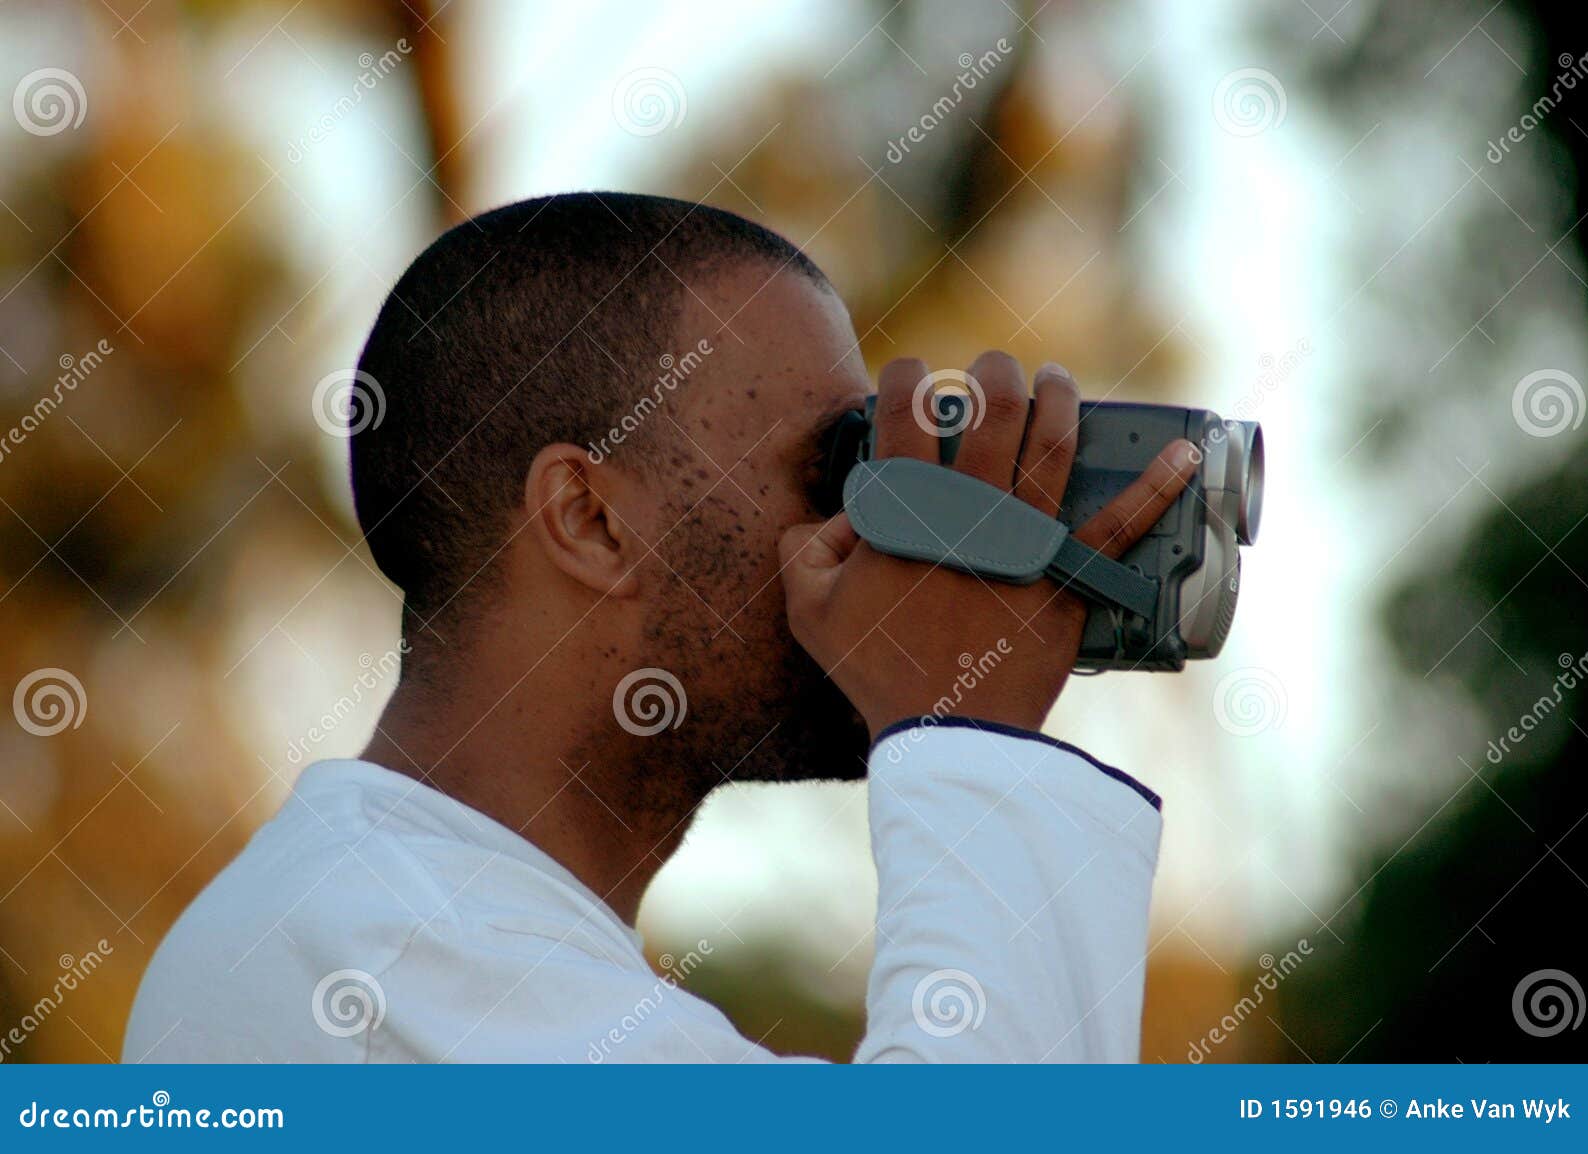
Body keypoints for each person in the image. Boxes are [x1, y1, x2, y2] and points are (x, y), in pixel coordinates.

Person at [122, 192, 1195, 1063]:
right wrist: (972, 740)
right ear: (589, 520)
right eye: (831, 464)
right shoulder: (380, 952)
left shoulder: (435, 933)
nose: (883, 528)